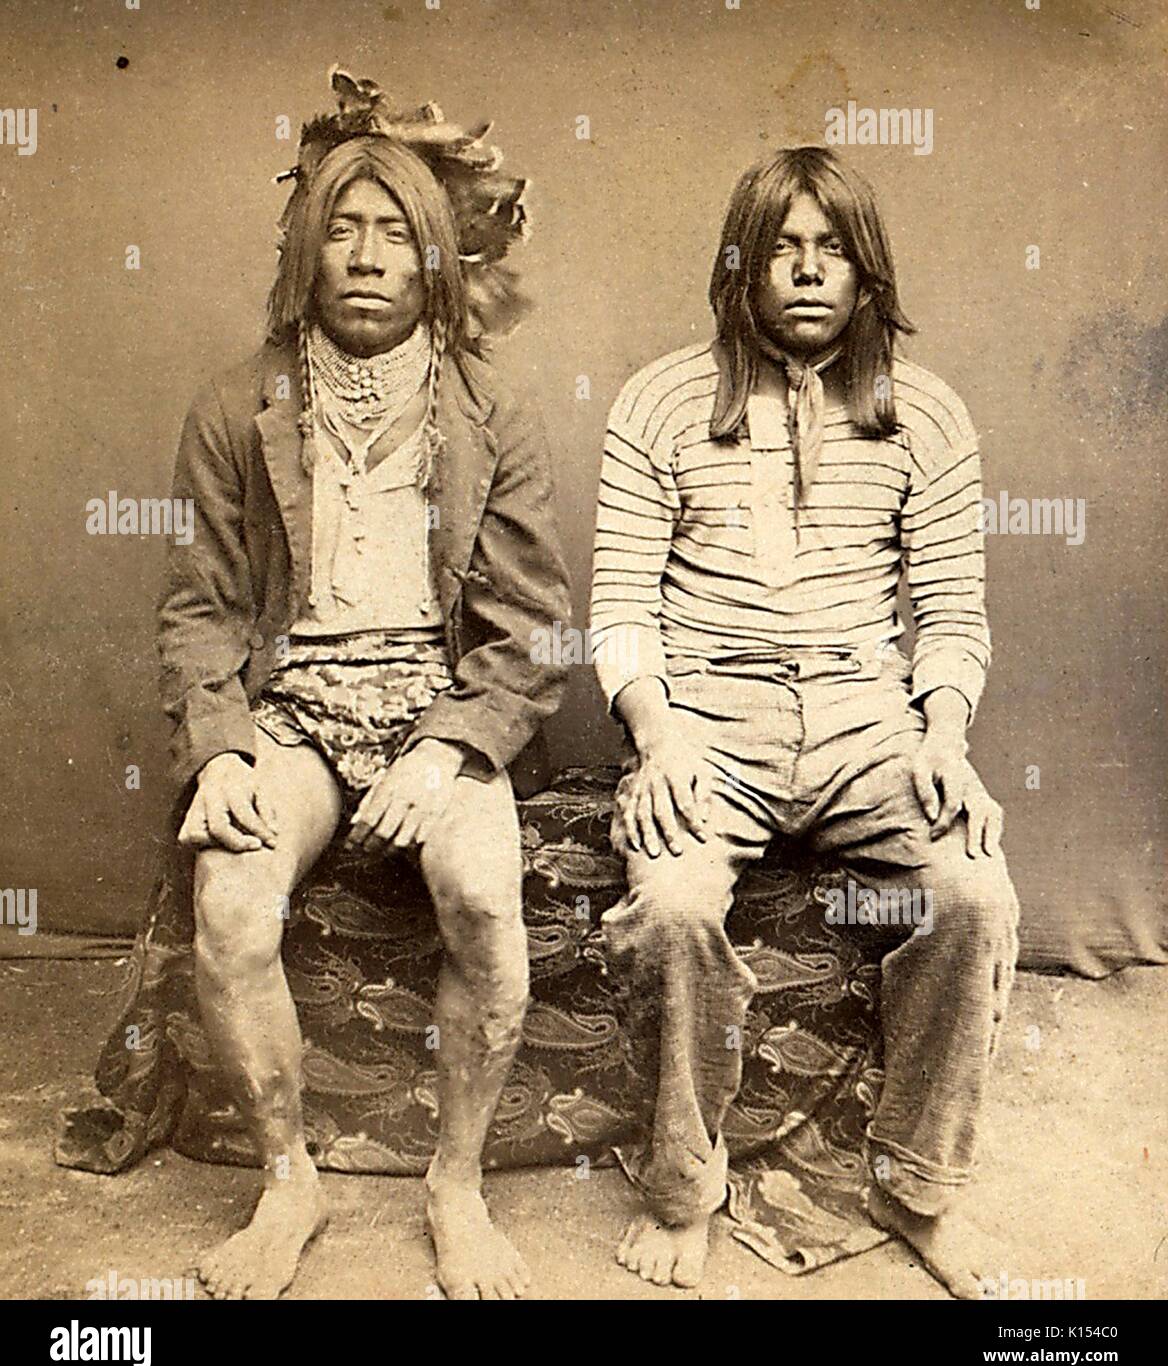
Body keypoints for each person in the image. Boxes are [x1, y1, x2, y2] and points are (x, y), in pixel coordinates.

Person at [160, 68, 569, 1300]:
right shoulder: (241, 402)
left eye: (396, 231)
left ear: (436, 255)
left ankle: (455, 1181)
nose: (368, 255)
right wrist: (222, 747)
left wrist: (449, 750)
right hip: (293, 705)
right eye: (342, 227)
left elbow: (530, 628)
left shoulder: (491, 407)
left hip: (436, 710)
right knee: (231, 902)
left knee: (483, 894)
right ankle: (289, 1182)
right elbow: (204, 609)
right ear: (306, 248)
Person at [589, 146, 1019, 1297]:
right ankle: (684, 1186)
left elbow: (952, 616)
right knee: (673, 905)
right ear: (743, 263)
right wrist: (659, 736)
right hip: (707, 719)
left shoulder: (924, 412)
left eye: (832, 248)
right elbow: (621, 610)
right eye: (783, 246)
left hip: (868, 723)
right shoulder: (659, 401)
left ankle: (919, 1183)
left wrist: (943, 738)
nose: (809, 270)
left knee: (973, 893)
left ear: (867, 268)